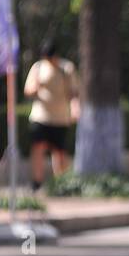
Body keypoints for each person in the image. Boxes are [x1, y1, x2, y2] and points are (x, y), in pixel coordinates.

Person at [23, 41, 79, 191]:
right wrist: (36, 87)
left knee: (59, 152)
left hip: (60, 118)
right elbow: (28, 90)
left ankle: (61, 183)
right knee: (38, 148)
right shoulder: (38, 67)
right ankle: (37, 182)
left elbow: (73, 93)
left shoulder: (66, 68)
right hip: (40, 117)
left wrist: (75, 108)